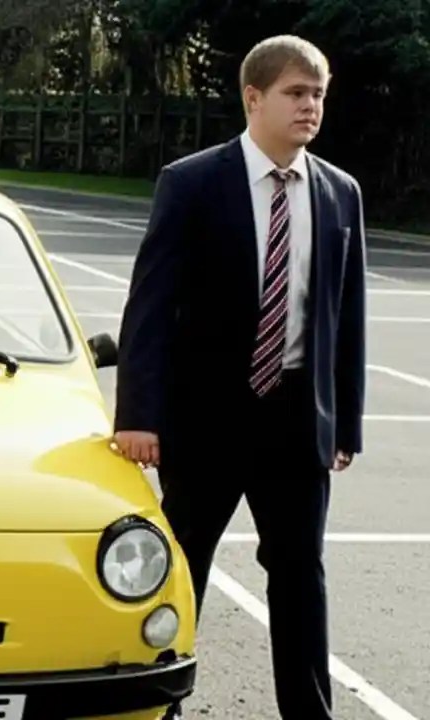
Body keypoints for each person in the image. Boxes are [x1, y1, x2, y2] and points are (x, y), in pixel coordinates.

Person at [112, 35, 366, 719]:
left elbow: (346, 318)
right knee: (182, 569)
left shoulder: (340, 194)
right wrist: (138, 413)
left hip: (295, 425)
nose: (310, 105)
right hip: (206, 421)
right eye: (295, 92)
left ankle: (309, 715)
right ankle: (153, 707)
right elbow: (151, 306)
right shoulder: (193, 183)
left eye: (318, 92)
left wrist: (345, 423)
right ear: (253, 98)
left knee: (299, 578)